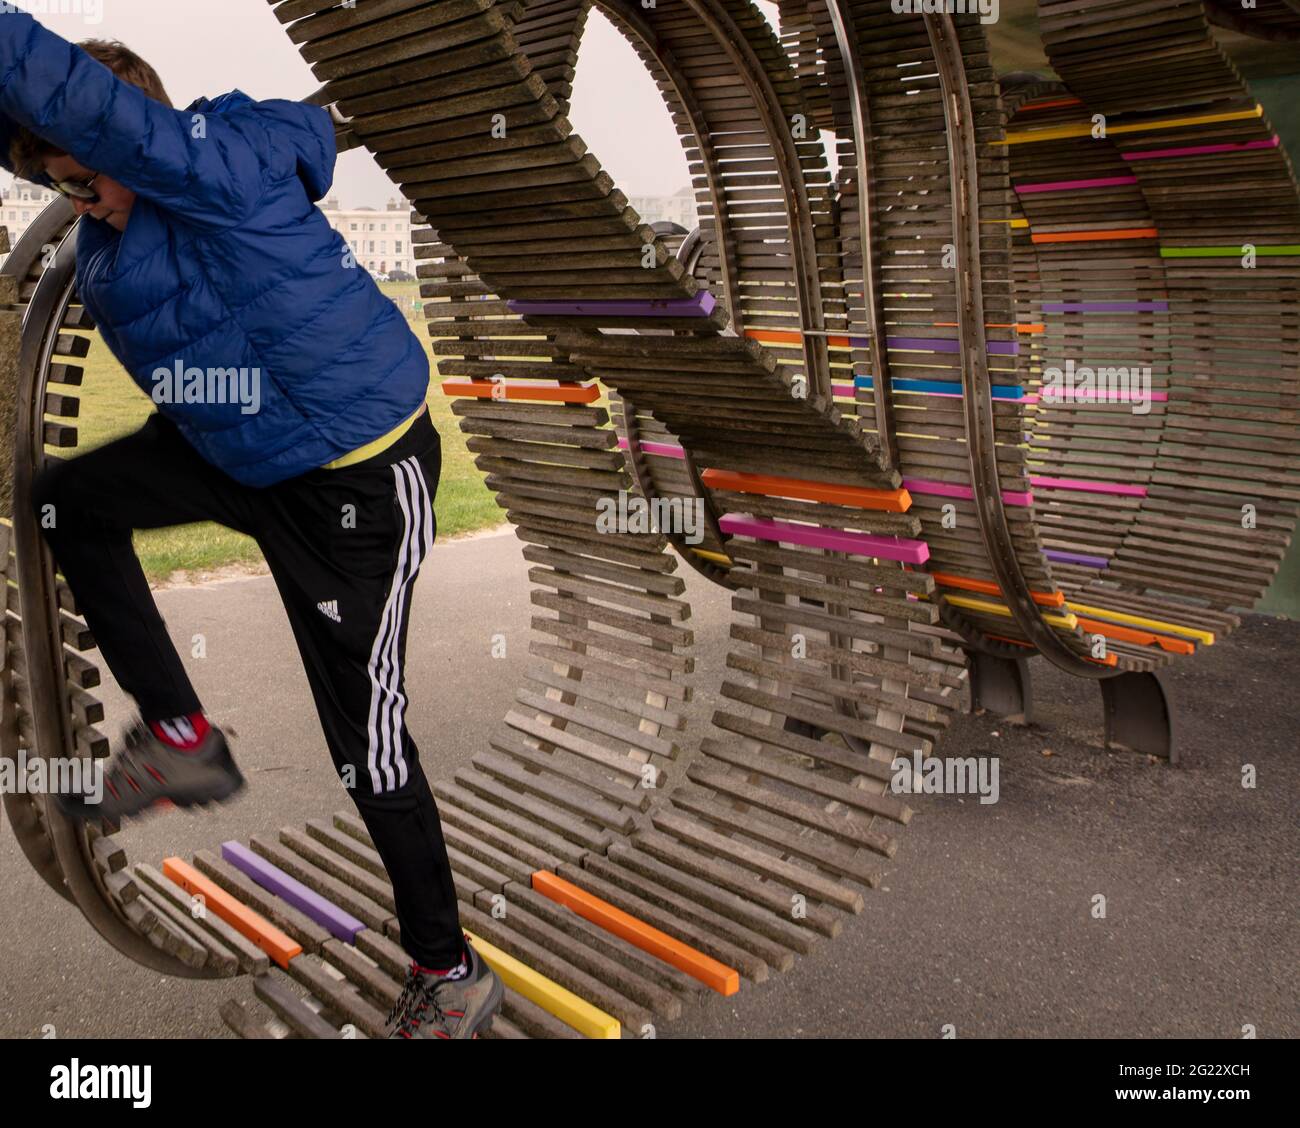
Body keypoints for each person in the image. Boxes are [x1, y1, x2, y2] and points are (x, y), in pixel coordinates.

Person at [0, 12, 502, 1040]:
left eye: (90, 179)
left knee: (366, 747)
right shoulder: (110, 218)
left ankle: (449, 970)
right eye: (63, 191)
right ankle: (182, 738)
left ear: (132, 135)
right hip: (240, 451)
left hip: (354, 479)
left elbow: (82, 100)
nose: (84, 206)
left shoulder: (208, 166)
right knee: (69, 500)